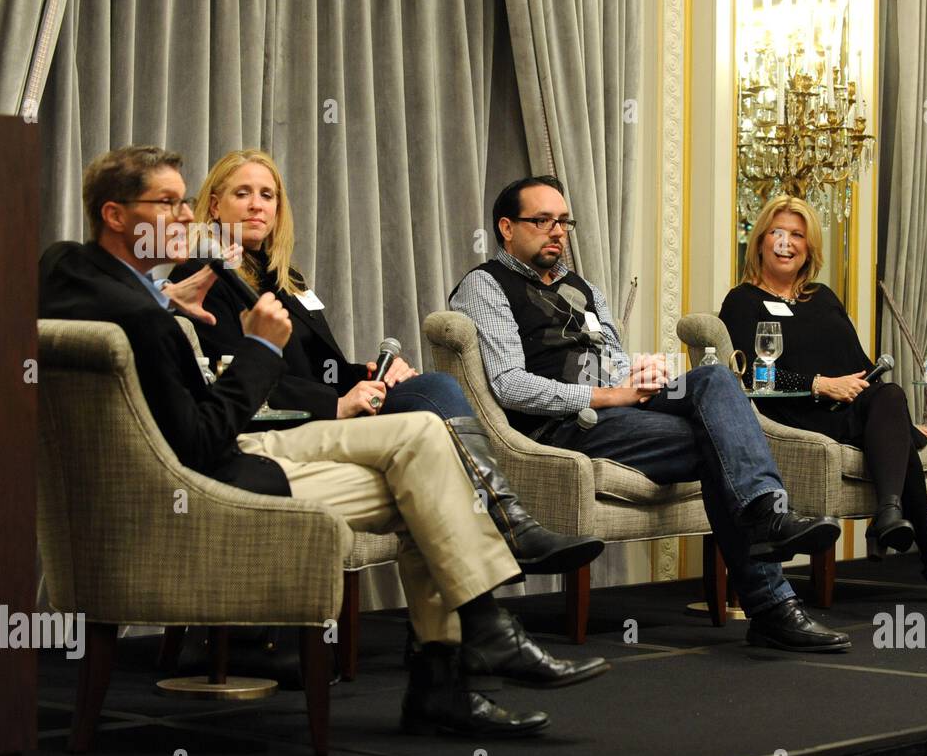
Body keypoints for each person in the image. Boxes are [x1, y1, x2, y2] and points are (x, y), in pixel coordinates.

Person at [40, 145, 609, 739]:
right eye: (168, 203)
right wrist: (257, 349)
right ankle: (461, 659)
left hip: (211, 453)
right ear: (113, 216)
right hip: (203, 477)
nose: (185, 217)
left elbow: (105, 301)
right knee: (431, 484)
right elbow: (206, 438)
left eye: (185, 201)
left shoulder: (75, 273)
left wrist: (165, 301)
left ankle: (479, 637)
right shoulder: (144, 311)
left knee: (424, 432)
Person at [450, 175, 851, 653]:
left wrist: (641, 372)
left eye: (563, 222)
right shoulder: (486, 286)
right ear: (507, 228)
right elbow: (509, 385)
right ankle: (772, 600)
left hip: (621, 403)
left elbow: (613, 357)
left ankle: (765, 515)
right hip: (565, 425)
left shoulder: (583, 288)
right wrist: (606, 397)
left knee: (715, 379)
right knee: (719, 442)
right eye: (543, 221)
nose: (557, 232)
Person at [169, 149, 602, 578]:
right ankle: (508, 527)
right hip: (284, 425)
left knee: (429, 388)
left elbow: (323, 366)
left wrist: (372, 374)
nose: (256, 204)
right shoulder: (202, 277)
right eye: (242, 193)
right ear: (214, 204)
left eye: (268, 195)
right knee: (432, 415)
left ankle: (503, 532)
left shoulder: (287, 278)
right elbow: (228, 376)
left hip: (328, 409)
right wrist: (335, 403)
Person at [719, 196, 927, 605]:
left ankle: (889, 512)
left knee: (889, 393)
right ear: (761, 242)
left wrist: (902, 425)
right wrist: (819, 385)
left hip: (843, 411)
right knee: (894, 425)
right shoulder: (742, 300)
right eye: (777, 233)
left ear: (809, 246)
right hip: (791, 415)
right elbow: (750, 374)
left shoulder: (821, 297)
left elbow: (862, 367)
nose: (786, 243)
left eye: (797, 235)